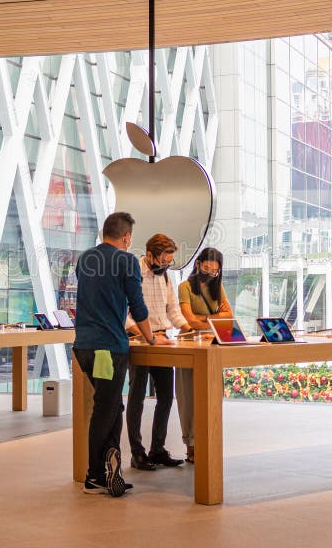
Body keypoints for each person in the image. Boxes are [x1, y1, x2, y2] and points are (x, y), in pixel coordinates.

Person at [73, 212, 172, 497]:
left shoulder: (85, 259)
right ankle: (94, 476)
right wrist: (151, 338)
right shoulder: (127, 261)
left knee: (113, 406)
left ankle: (110, 471)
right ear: (126, 237)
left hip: (84, 347)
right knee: (105, 411)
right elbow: (138, 307)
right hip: (108, 349)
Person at [125, 234, 192, 471]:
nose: (165, 266)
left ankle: (157, 449)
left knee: (166, 396)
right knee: (137, 398)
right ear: (150, 255)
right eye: (162, 261)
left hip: (162, 339)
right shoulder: (133, 272)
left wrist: (188, 329)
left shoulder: (165, 276)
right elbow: (124, 312)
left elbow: (173, 309)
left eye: (169, 262)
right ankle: (137, 453)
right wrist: (143, 334)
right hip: (138, 341)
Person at [176, 247, 233, 463]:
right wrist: (213, 318)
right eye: (207, 269)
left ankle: (208, 442)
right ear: (198, 264)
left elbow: (229, 315)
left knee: (213, 395)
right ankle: (191, 446)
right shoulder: (185, 287)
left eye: (214, 271)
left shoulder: (218, 287)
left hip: (212, 343)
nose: (210, 274)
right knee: (188, 397)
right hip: (189, 345)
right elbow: (188, 320)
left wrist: (204, 319)